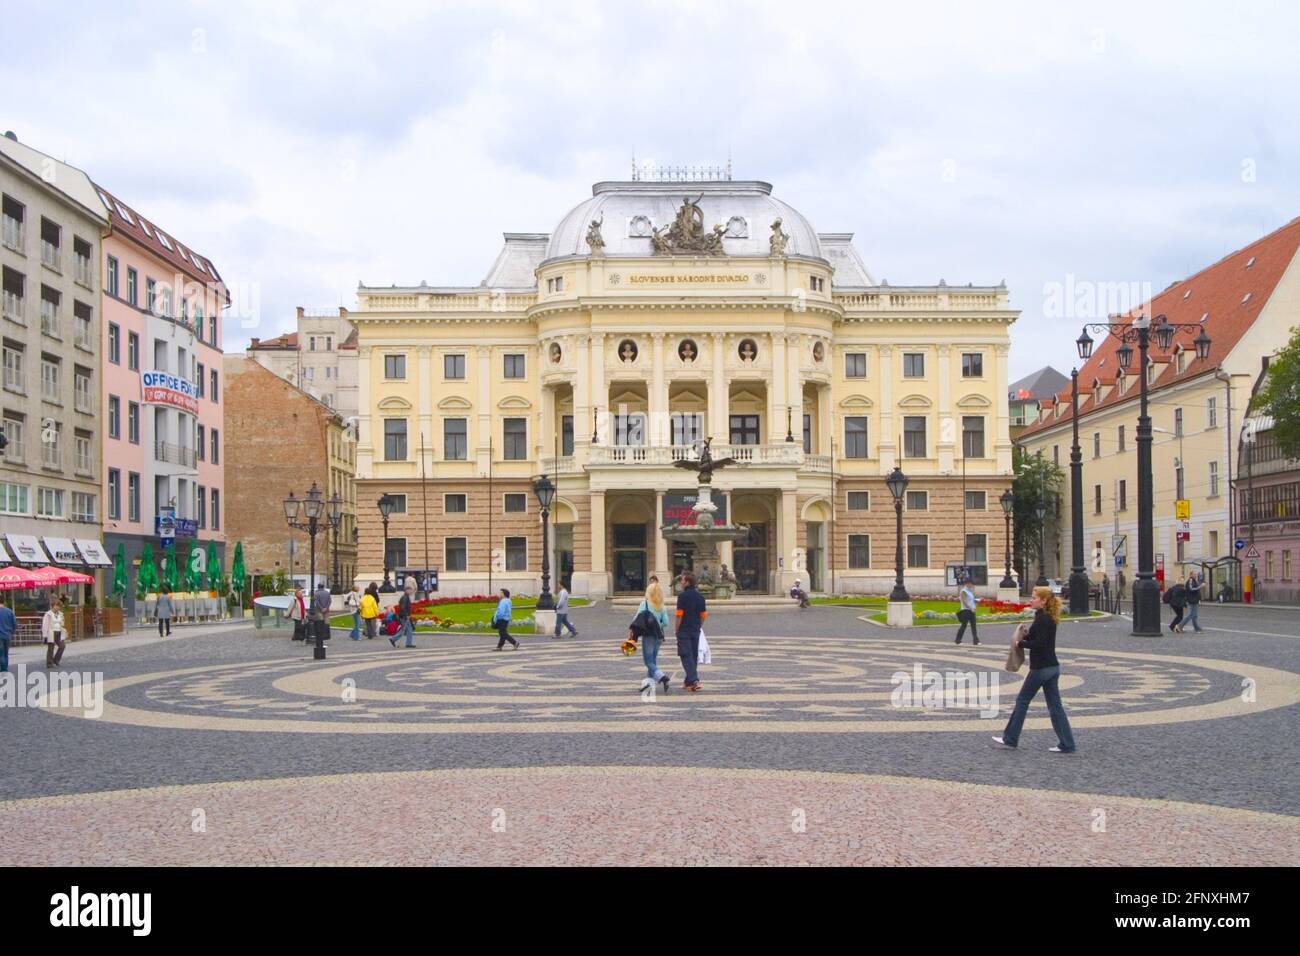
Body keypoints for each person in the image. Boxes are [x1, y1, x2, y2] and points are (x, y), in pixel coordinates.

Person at [993, 586, 1076, 753]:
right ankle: (1067, 743)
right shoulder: (1046, 617)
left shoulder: (1043, 619)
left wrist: (1020, 643)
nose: (1030, 600)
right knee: (1055, 706)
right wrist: (1027, 634)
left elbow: (1039, 644)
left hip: (1041, 669)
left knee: (1022, 701)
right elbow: (1039, 638)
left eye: (1034, 597)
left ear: (1043, 600)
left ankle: (1010, 738)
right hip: (1052, 667)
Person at [632, 580, 671, 694]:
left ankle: (662, 677)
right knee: (652, 660)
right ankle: (648, 684)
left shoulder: (644, 604)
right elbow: (666, 622)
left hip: (648, 635)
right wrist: (658, 625)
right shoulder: (661, 606)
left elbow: (636, 619)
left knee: (648, 661)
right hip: (658, 635)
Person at [675, 571, 707, 692]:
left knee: (685, 654)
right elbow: (703, 615)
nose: (681, 582)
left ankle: (694, 680)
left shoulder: (682, 596)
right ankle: (688, 682)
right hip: (695, 629)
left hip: (684, 629)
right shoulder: (700, 597)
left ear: (687, 582)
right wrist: (699, 626)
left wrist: (677, 629)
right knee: (693, 655)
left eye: (682, 580)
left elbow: (679, 615)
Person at [42, 596, 67, 669]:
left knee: (62, 646)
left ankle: (56, 660)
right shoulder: (48, 614)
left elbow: (62, 623)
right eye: (57, 606)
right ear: (53, 606)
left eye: (59, 606)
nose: (58, 608)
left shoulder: (60, 614)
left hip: (59, 632)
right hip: (51, 632)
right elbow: (45, 625)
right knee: (51, 648)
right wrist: (45, 635)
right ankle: (49, 663)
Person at [954, 580, 980, 645]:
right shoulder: (963, 591)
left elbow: (970, 600)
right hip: (965, 610)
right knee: (964, 625)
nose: (971, 585)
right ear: (967, 584)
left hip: (972, 610)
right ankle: (958, 640)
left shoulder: (970, 591)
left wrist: (976, 601)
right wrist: (970, 608)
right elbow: (964, 601)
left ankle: (976, 641)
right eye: (971, 583)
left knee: (973, 625)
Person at [392, 582, 416, 648]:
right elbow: (403, 607)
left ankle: (393, 639)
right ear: (407, 590)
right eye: (410, 590)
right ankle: (408, 643)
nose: (411, 591)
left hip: (403, 615)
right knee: (409, 629)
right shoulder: (405, 597)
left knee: (404, 629)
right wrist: (406, 615)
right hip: (404, 616)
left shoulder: (405, 597)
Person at [0, 595, 15, 673]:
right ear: (4, 602)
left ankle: (3, 669)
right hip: (7, 635)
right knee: (6, 653)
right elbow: (14, 624)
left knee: (1, 654)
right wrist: (12, 631)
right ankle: (5, 668)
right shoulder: (9, 611)